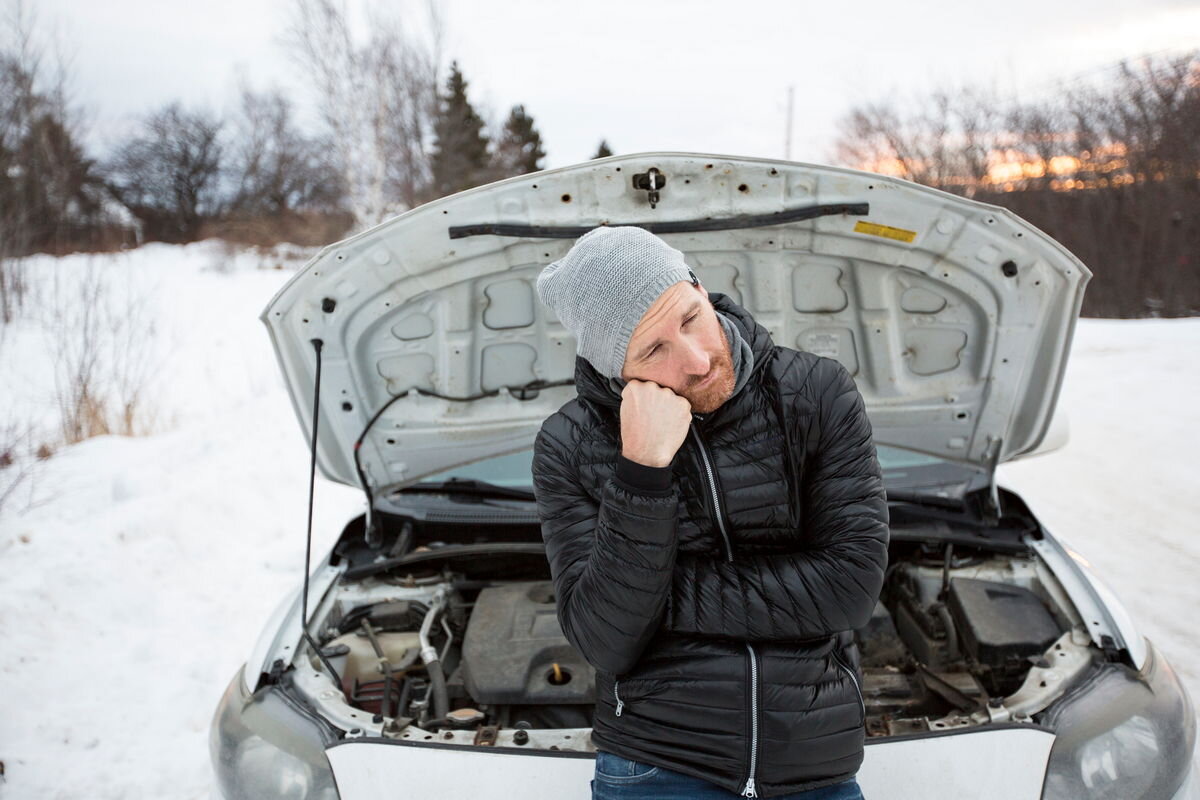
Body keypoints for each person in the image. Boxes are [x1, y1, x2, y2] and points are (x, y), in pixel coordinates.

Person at [530, 226, 889, 799]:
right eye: (654, 351)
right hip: (655, 763)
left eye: (691, 318)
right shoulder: (569, 446)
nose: (697, 360)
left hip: (811, 757)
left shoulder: (817, 393)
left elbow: (850, 588)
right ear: (615, 370)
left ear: (699, 286)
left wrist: (655, 599)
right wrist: (642, 472)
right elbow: (604, 642)